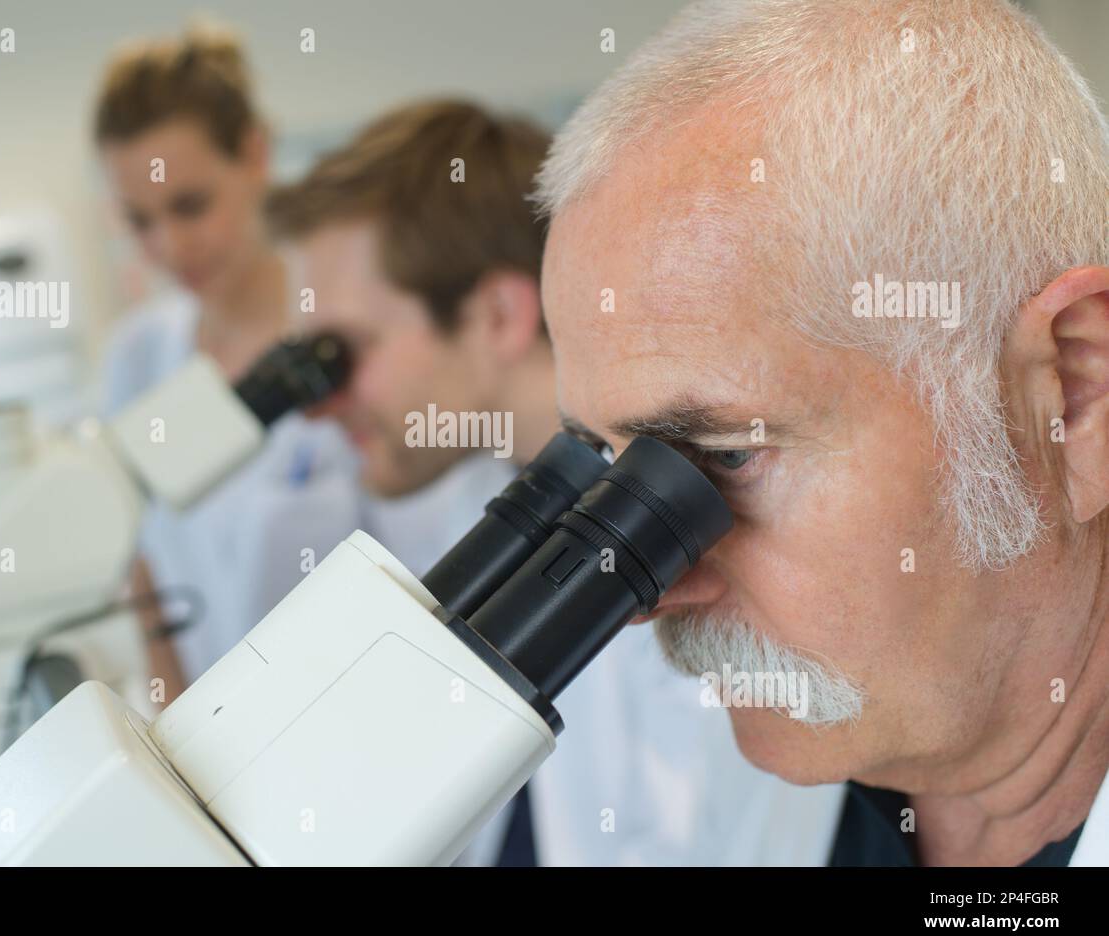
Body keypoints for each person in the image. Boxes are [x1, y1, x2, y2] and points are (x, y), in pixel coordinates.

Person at [534, 0, 1109, 865]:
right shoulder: (712, 794)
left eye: (725, 458)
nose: (648, 596)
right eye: (612, 467)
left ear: (1072, 397)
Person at [265, 98, 839, 865]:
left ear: (498, 315)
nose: (321, 404)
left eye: (344, 351)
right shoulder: (486, 510)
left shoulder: (691, 548)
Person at [94, 26, 361, 699]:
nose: (171, 245)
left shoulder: (343, 336)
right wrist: (173, 737)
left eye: (190, 205)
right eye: (140, 219)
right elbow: (144, 573)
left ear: (255, 154)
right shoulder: (138, 358)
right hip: (205, 739)